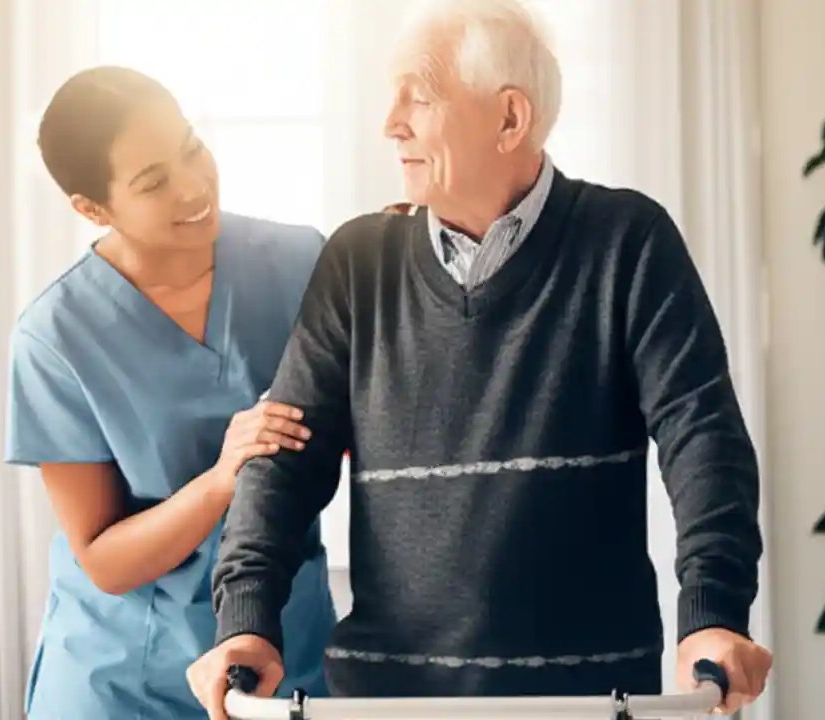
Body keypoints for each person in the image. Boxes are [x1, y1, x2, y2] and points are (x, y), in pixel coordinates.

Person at [187, 1, 774, 718]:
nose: (390, 122)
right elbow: (285, 454)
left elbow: (702, 437)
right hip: (388, 698)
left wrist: (713, 611)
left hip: (591, 700)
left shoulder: (628, 242)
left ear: (509, 120)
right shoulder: (357, 262)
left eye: (419, 96)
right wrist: (245, 618)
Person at [4, 65, 337, 719]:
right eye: (153, 182)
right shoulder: (55, 337)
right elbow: (102, 558)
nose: (192, 187)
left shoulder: (301, 263)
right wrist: (222, 478)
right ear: (92, 208)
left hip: (283, 655)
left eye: (190, 148)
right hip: (124, 681)